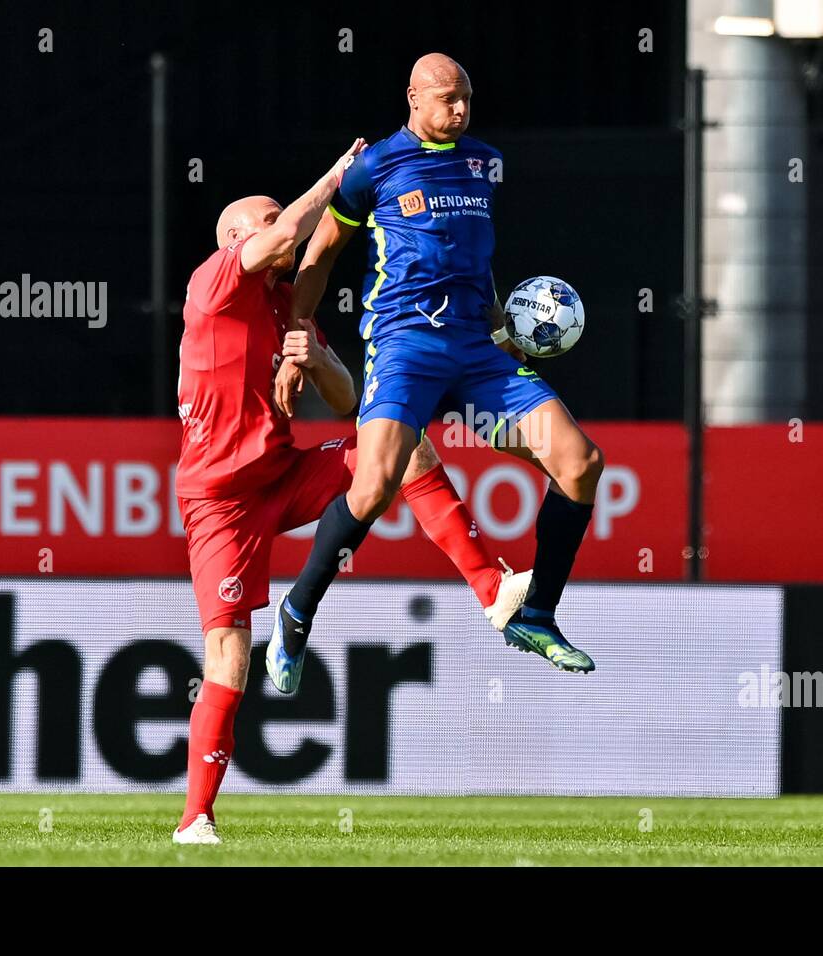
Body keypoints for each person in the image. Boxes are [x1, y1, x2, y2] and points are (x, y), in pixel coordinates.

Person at [172, 156, 529, 845]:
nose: (283, 228)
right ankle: (196, 820)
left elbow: (345, 404)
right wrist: (337, 180)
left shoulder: (287, 307)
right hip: (220, 498)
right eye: (267, 218)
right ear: (234, 241)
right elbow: (283, 240)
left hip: (280, 471)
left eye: (283, 213)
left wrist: (316, 360)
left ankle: (493, 589)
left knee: (402, 447)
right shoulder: (212, 284)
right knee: (227, 652)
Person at [270, 53, 604, 691]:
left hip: (478, 351)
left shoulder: (482, 164)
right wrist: (296, 336)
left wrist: (506, 322)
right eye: (447, 99)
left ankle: (535, 613)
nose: (459, 110)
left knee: (581, 462)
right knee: (371, 490)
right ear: (413, 99)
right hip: (404, 347)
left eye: (466, 99)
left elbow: (471, 255)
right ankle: (297, 610)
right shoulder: (375, 168)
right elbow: (320, 253)